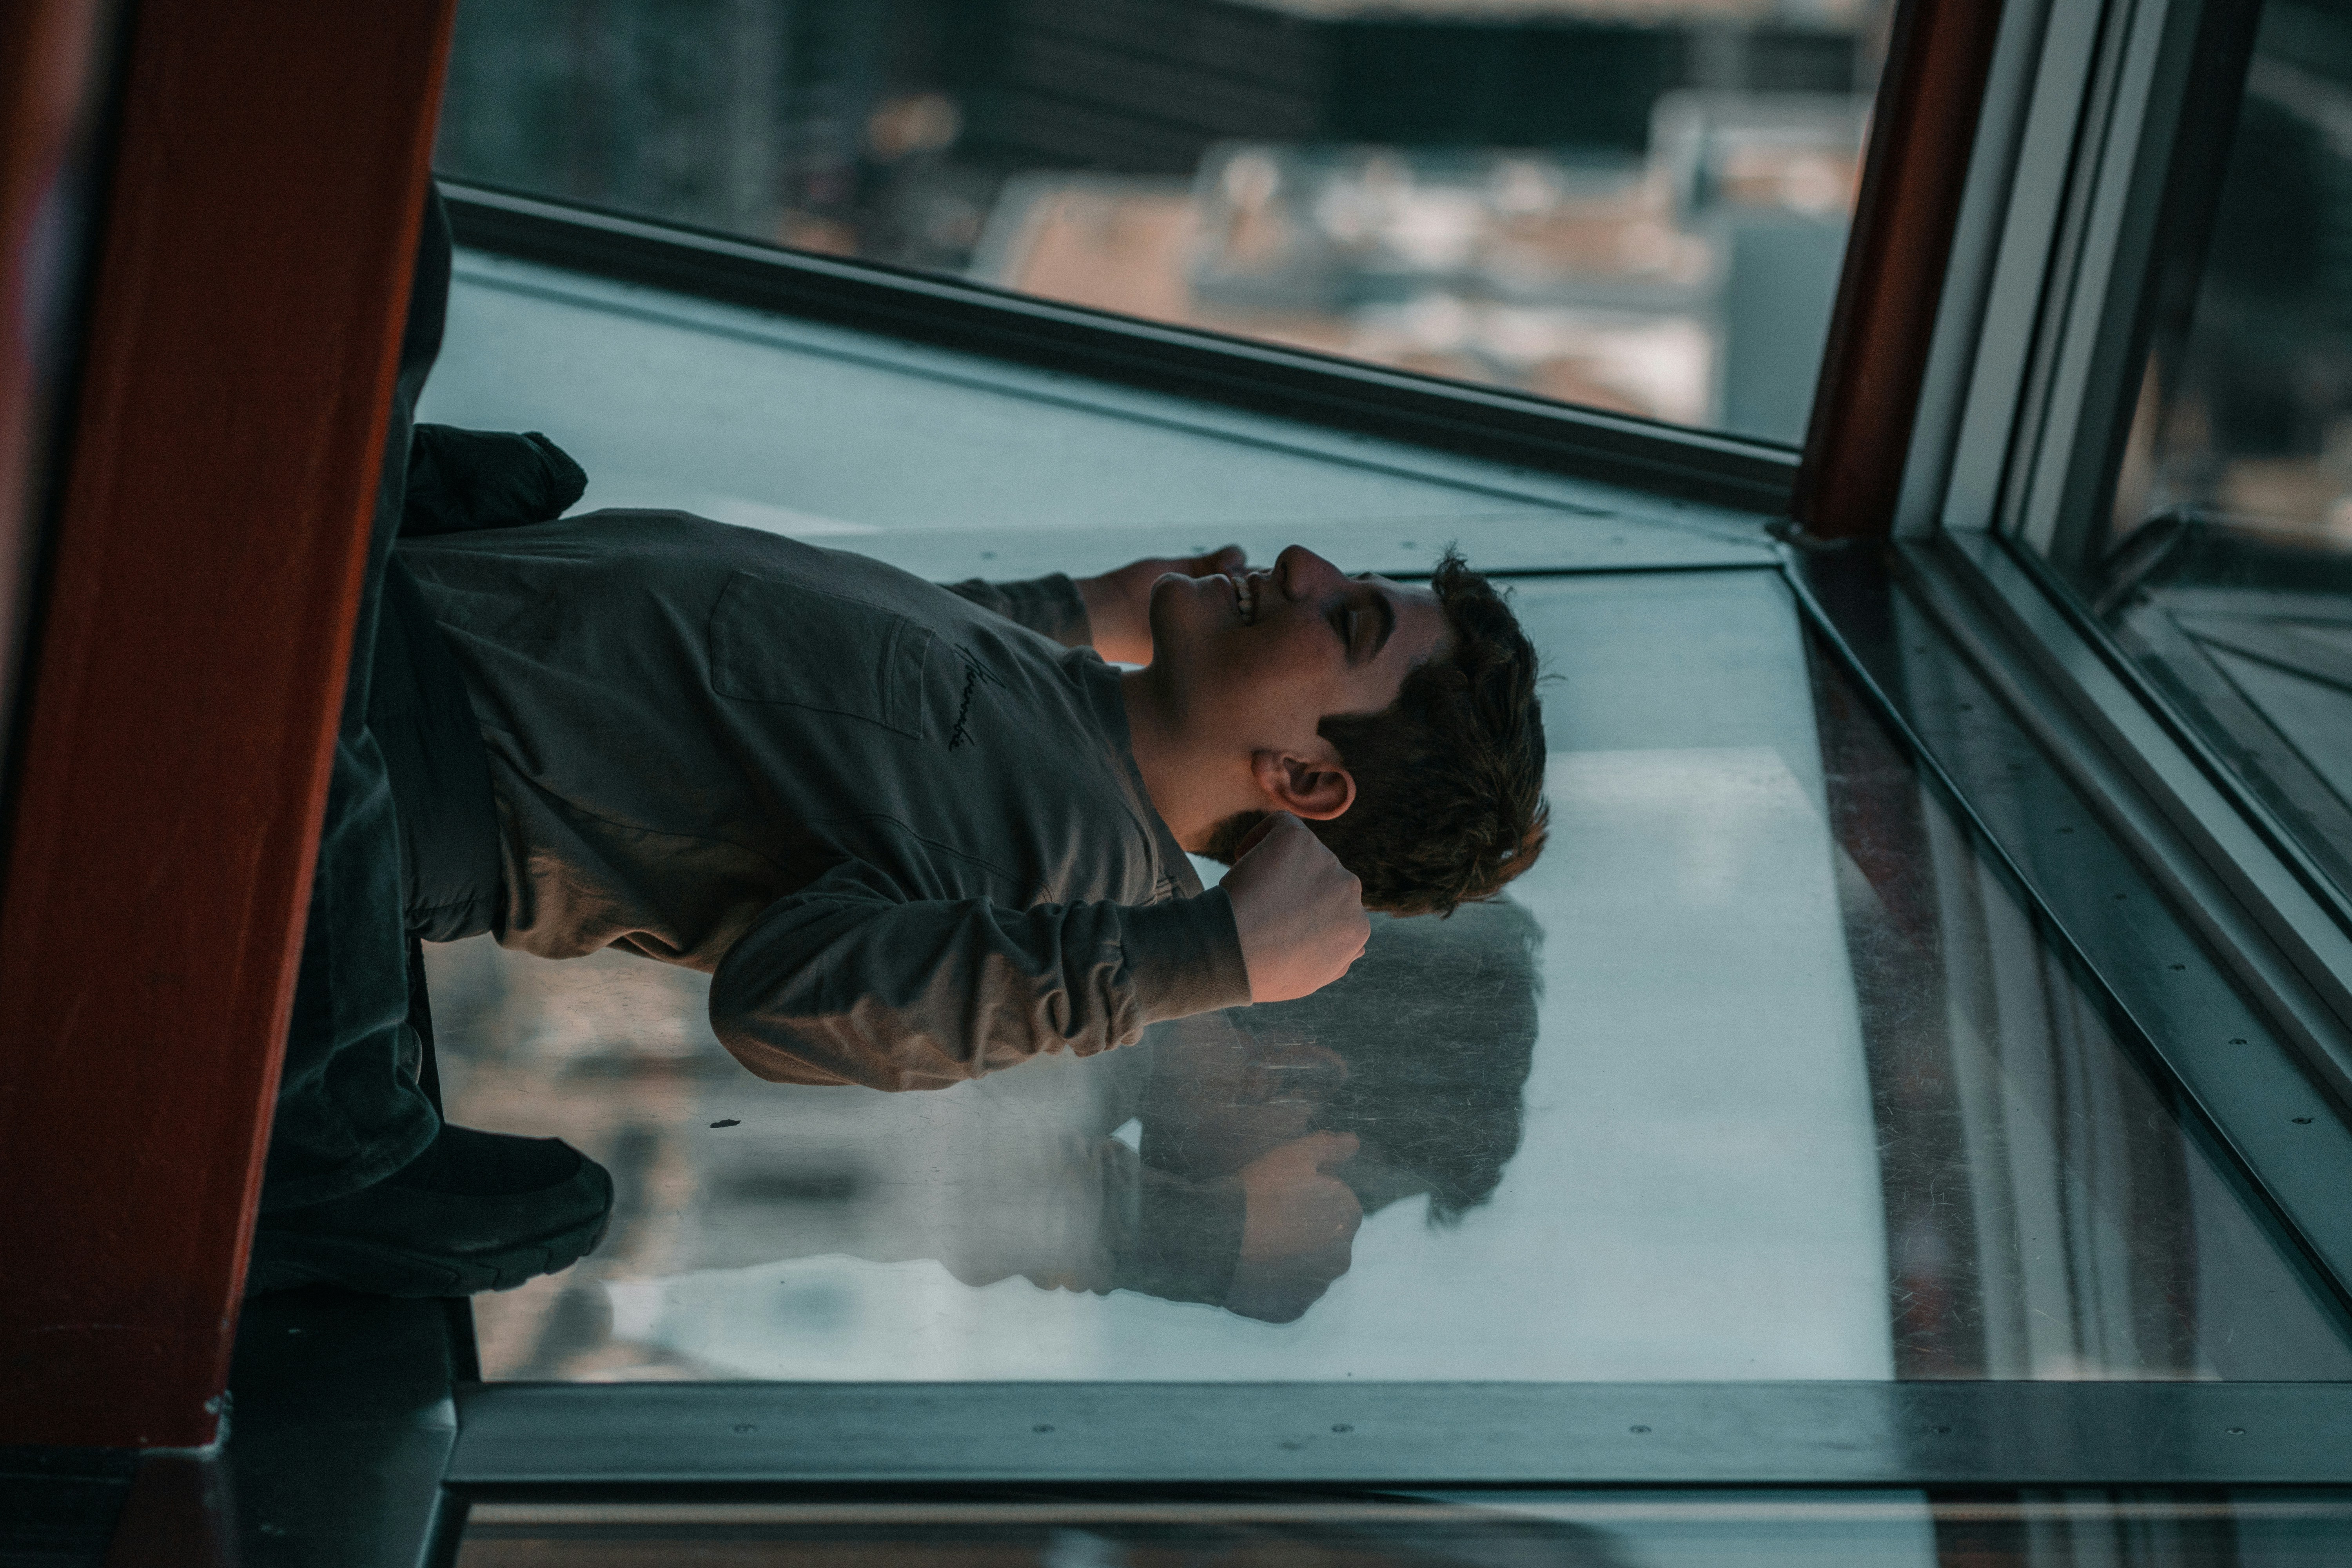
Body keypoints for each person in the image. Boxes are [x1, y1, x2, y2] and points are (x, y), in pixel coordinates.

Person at [249, 189, 1549, 1299]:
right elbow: (881, 685)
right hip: (398, 617)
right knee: (367, 243)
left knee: (371, 251)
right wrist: (1073, 609)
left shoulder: (1083, 884)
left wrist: (1193, 958)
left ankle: (336, 1155)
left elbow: (790, 1003)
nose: (1311, 567)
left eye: (1351, 620)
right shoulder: (1071, 717)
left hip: (374, 749)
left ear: (1308, 779)